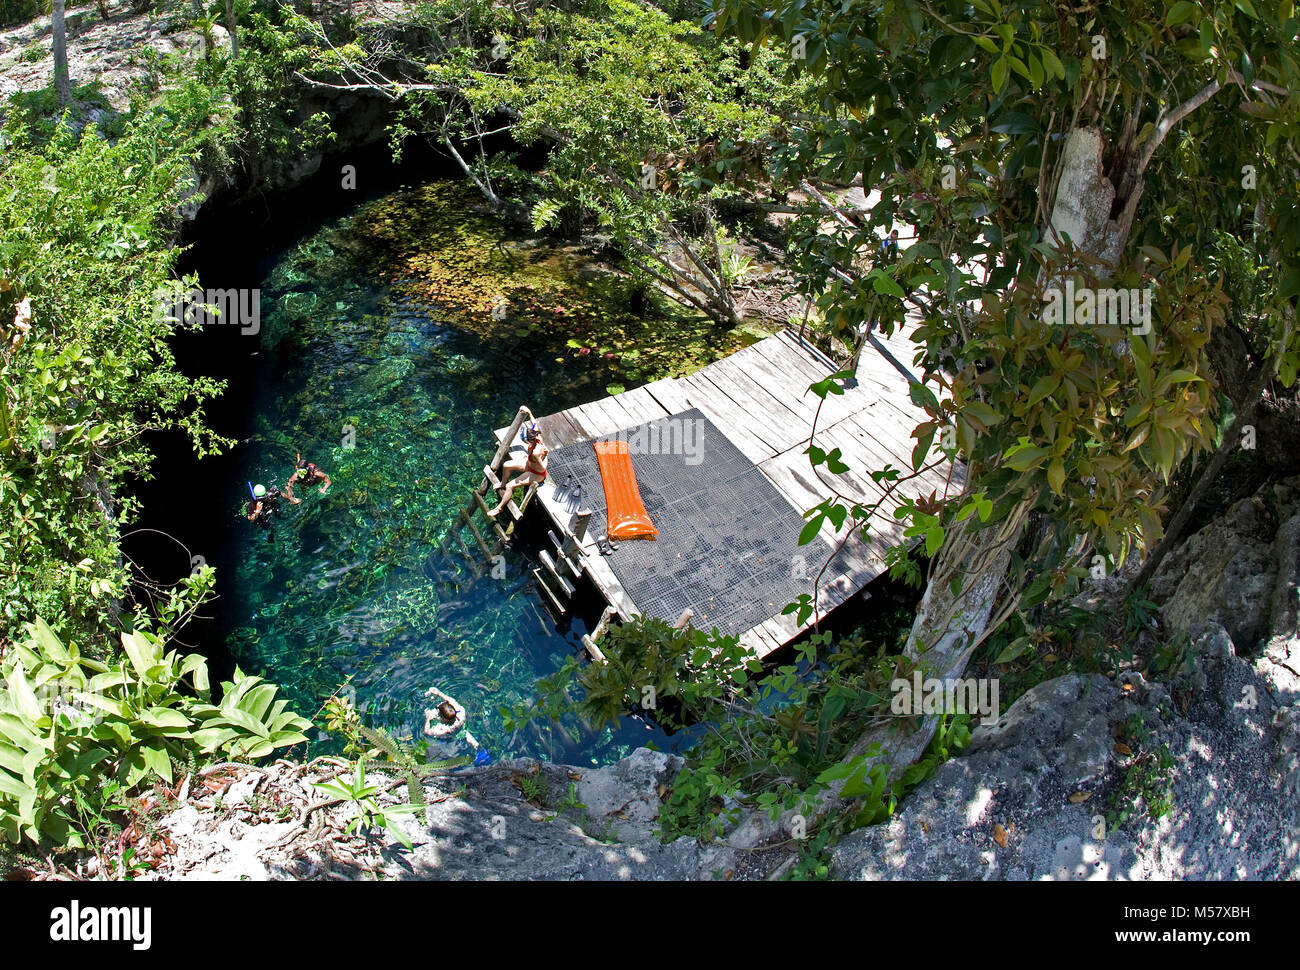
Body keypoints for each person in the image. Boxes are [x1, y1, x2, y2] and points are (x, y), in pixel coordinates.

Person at [488, 423, 547, 517]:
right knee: (506, 465)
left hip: (536, 473)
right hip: (529, 465)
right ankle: (502, 484)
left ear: (529, 440)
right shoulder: (536, 435)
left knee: (509, 486)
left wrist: (539, 456)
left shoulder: (536, 452)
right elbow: (534, 423)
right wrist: (528, 412)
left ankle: (498, 509)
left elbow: (543, 467)